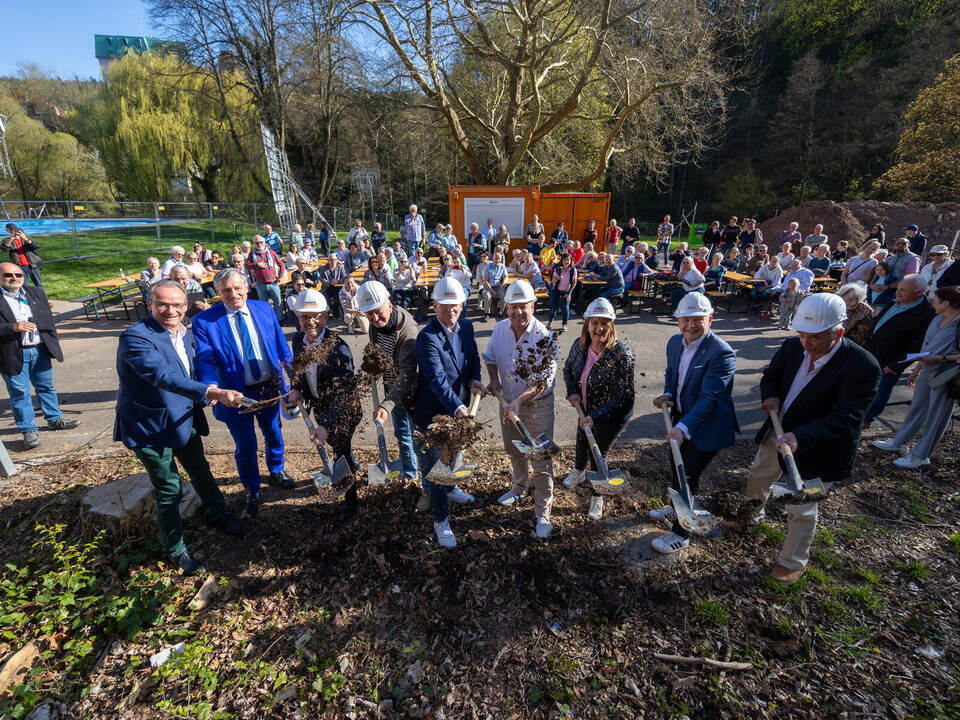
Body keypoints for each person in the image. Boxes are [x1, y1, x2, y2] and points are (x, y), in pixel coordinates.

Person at [744, 293, 880, 584]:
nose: (806, 344)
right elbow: (771, 374)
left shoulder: (862, 366)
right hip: (779, 430)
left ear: (838, 332)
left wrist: (801, 436)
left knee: (802, 506)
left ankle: (793, 561)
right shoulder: (793, 346)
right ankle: (750, 515)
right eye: (802, 335)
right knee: (760, 474)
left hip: (823, 446)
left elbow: (847, 418)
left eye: (815, 338)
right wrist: (770, 395)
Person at [114, 280, 246, 575]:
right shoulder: (135, 337)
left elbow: (191, 369)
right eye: (163, 304)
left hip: (183, 419)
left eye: (177, 305)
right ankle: (176, 550)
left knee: (200, 469)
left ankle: (219, 515)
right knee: (169, 488)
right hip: (149, 426)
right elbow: (162, 376)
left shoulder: (184, 332)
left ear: (186, 306)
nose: (170, 310)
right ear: (149, 304)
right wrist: (212, 393)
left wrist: (210, 384)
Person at [192, 268, 296, 519]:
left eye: (238, 288)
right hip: (233, 395)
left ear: (247, 286)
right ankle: (252, 489)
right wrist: (211, 389)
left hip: (267, 388)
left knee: (273, 431)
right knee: (246, 444)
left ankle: (276, 468)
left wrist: (292, 381)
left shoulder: (263, 309)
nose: (233, 294)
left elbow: (281, 347)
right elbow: (205, 360)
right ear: (217, 292)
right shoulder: (205, 320)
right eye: (226, 290)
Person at [648, 293, 737, 552]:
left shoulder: (722, 353)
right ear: (677, 320)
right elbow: (671, 373)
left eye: (698, 319)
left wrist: (684, 428)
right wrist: (667, 393)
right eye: (685, 319)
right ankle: (675, 508)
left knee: (688, 475)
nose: (691, 325)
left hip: (708, 427)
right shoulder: (676, 342)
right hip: (680, 419)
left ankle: (681, 533)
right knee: (677, 469)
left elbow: (710, 398)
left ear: (710, 319)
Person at [484, 280, 558, 537]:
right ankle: (519, 488)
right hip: (508, 403)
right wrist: (494, 380)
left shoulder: (544, 337)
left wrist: (520, 401)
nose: (518, 312)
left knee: (540, 458)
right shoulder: (500, 330)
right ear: (506, 308)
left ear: (533, 306)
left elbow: (543, 381)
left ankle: (542, 510)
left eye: (523, 307)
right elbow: (491, 357)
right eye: (513, 307)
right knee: (514, 449)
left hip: (536, 406)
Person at [413, 277, 483, 547]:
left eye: (454, 305)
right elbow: (437, 379)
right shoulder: (427, 337)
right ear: (434, 305)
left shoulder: (466, 326)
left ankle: (452, 490)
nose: (450, 310)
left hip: (459, 408)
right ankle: (441, 521)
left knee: (453, 457)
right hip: (433, 414)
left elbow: (473, 358)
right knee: (437, 470)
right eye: (444, 305)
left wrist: (475, 379)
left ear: (462, 305)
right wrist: (459, 407)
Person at [287, 289, 363, 518]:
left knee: (340, 451)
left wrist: (326, 425)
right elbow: (299, 368)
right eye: (304, 316)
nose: (310, 321)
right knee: (337, 447)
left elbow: (345, 393)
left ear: (325, 317)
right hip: (320, 406)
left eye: (316, 316)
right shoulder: (298, 339)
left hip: (343, 409)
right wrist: (297, 388)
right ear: (297, 317)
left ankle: (352, 501)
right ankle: (349, 460)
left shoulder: (338, 348)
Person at [562, 298, 635, 521]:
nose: (599, 328)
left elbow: (622, 396)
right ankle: (578, 471)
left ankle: (597, 497)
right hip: (586, 406)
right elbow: (567, 370)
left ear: (611, 325)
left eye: (604, 323)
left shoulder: (620, 355)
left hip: (611, 414)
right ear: (587, 324)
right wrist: (573, 391)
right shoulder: (580, 345)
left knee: (598, 453)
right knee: (581, 438)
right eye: (595, 322)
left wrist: (596, 416)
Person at [873, 286, 960, 468]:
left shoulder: (958, 325)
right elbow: (927, 347)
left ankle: (921, 455)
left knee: (936, 415)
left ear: (947, 303)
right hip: (927, 370)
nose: (931, 303)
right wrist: (917, 368)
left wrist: (938, 358)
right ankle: (900, 442)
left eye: (935, 300)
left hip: (945, 377)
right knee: (917, 408)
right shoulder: (937, 319)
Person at [0, 262, 78, 449]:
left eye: (18, 275)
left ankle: (54, 418)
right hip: (12, 352)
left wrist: (52, 344)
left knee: (46, 387)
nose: (14, 279)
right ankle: (28, 430)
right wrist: (12, 327)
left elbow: (48, 321)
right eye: (8, 275)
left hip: (39, 349)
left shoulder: (35, 293)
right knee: (20, 393)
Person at [356, 281, 423, 495]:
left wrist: (386, 405)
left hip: (412, 392)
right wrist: (373, 364)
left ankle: (427, 475)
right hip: (390, 388)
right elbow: (378, 350)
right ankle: (411, 473)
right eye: (369, 315)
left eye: (377, 312)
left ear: (389, 302)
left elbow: (406, 375)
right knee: (402, 433)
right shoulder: (376, 325)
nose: (375, 319)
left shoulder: (407, 330)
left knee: (418, 434)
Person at [862, 274, 935, 427]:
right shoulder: (894, 301)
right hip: (871, 352)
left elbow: (918, 345)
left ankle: (867, 421)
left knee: (880, 392)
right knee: (862, 387)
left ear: (918, 293)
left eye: (903, 291)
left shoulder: (925, 313)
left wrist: (897, 365)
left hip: (890, 361)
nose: (897, 293)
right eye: (898, 288)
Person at [245, 235, 285, 323]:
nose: (259, 244)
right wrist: (256, 265)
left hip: (273, 282)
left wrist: (280, 276)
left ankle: (280, 320)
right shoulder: (252, 254)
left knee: (278, 303)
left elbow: (281, 264)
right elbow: (247, 265)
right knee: (264, 305)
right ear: (254, 244)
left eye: (261, 242)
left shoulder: (271, 253)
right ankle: (268, 320)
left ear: (265, 243)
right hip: (260, 284)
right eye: (257, 243)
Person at [548, 253, 577, 332]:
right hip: (556, 290)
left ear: (571, 261)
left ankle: (564, 324)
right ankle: (550, 322)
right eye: (565, 260)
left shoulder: (573, 270)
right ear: (562, 261)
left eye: (568, 260)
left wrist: (569, 293)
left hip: (566, 291)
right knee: (553, 308)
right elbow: (553, 281)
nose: (566, 261)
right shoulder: (557, 268)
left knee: (565, 308)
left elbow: (574, 283)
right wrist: (558, 277)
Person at [478, 250, 508, 319]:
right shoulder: (487, 267)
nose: (497, 260)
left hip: (498, 286)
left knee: (504, 296)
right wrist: (492, 290)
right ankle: (487, 313)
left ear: (500, 259)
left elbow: (506, 277)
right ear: (493, 259)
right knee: (487, 295)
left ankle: (500, 310)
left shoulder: (502, 266)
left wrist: (503, 282)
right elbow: (485, 281)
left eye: (498, 258)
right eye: (495, 258)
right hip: (489, 286)